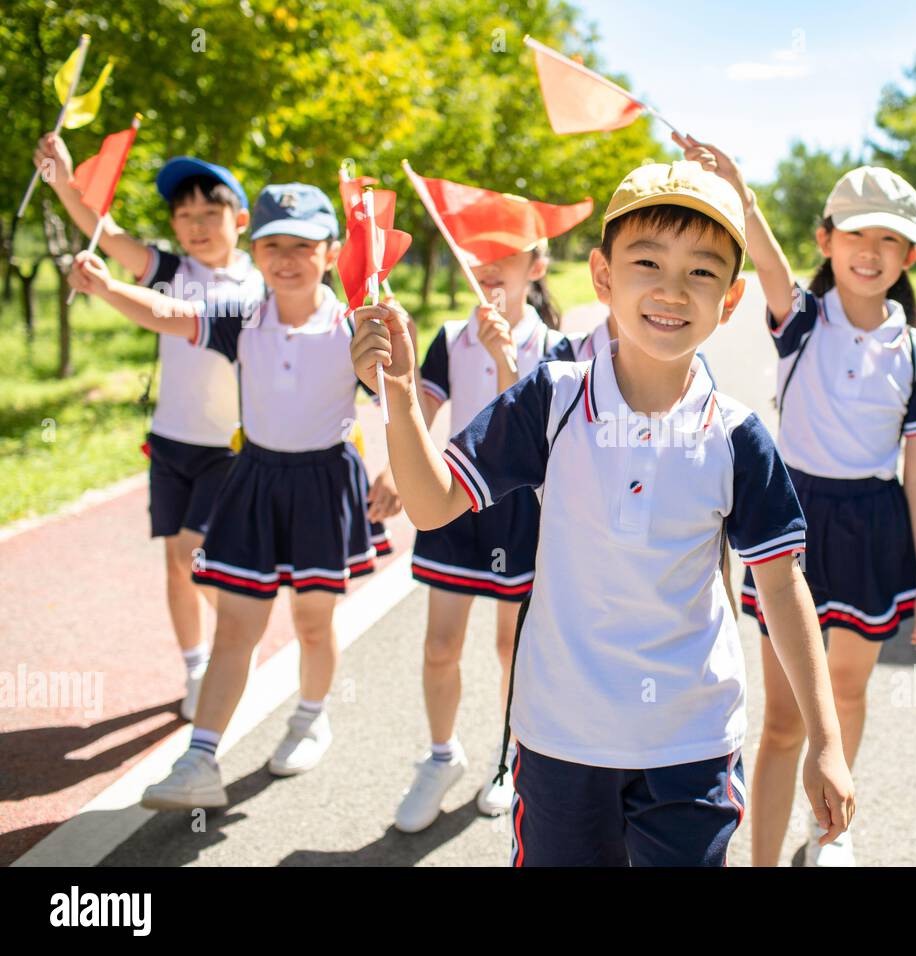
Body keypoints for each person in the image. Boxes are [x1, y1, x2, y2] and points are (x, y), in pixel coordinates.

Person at [352, 160, 854, 866]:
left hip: (693, 742)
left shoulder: (737, 436)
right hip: (562, 737)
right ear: (603, 276)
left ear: (732, 298)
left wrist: (826, 743)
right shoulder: (550, 400)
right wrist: (401, 399)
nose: (672, 290)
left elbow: (781, 585)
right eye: (647, 261)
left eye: (702, 272)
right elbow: (434, 507)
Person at [68, 183, 405, 809]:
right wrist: (107, 288)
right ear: (256, 249)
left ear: (330, 253)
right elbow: (169, 314)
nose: (285, 257)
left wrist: (397, 472)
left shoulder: (353, 327)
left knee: (312, 620)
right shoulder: (243, 318)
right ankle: (200, 761)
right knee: (238, 626)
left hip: (322, 485)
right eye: (272, 244)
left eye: (302, 245)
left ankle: (310, 717)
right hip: (251, 481)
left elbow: (397, 399)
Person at [679, 135, 916, 866]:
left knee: (847, 694)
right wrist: (738, 185)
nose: (872, 250)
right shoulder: (801, 321)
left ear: (911, 255)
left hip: (874, 528)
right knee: (784, 721)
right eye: (857, 233)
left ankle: (831, 828)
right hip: (791, 529)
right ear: (826, 240)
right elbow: (766, 258)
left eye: (890, 239)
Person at [34, 138, 256, 721]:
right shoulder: (170, 271)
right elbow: (104, 234)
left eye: (210, 214)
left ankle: (238, 632)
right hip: (170, 442)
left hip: (230, 449)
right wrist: (60, 180)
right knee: (174, 559)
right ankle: (196, 665)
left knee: (193, 553)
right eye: (184, 216)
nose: (196, 226)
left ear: (241, 219)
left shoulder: (260, 287)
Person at [399, 190, 590, 831]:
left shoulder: (563, 352)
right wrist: (389, 470)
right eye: (475, 249)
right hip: (457, 507)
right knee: (439, 645)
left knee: (514, 645)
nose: (487, 263)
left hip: (525, 514)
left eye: (504, 252)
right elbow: (420, 419)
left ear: (536, 264)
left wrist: (509, 359)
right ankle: (439, 756)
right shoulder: (449, 337)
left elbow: (538, 442)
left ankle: (509, 758)